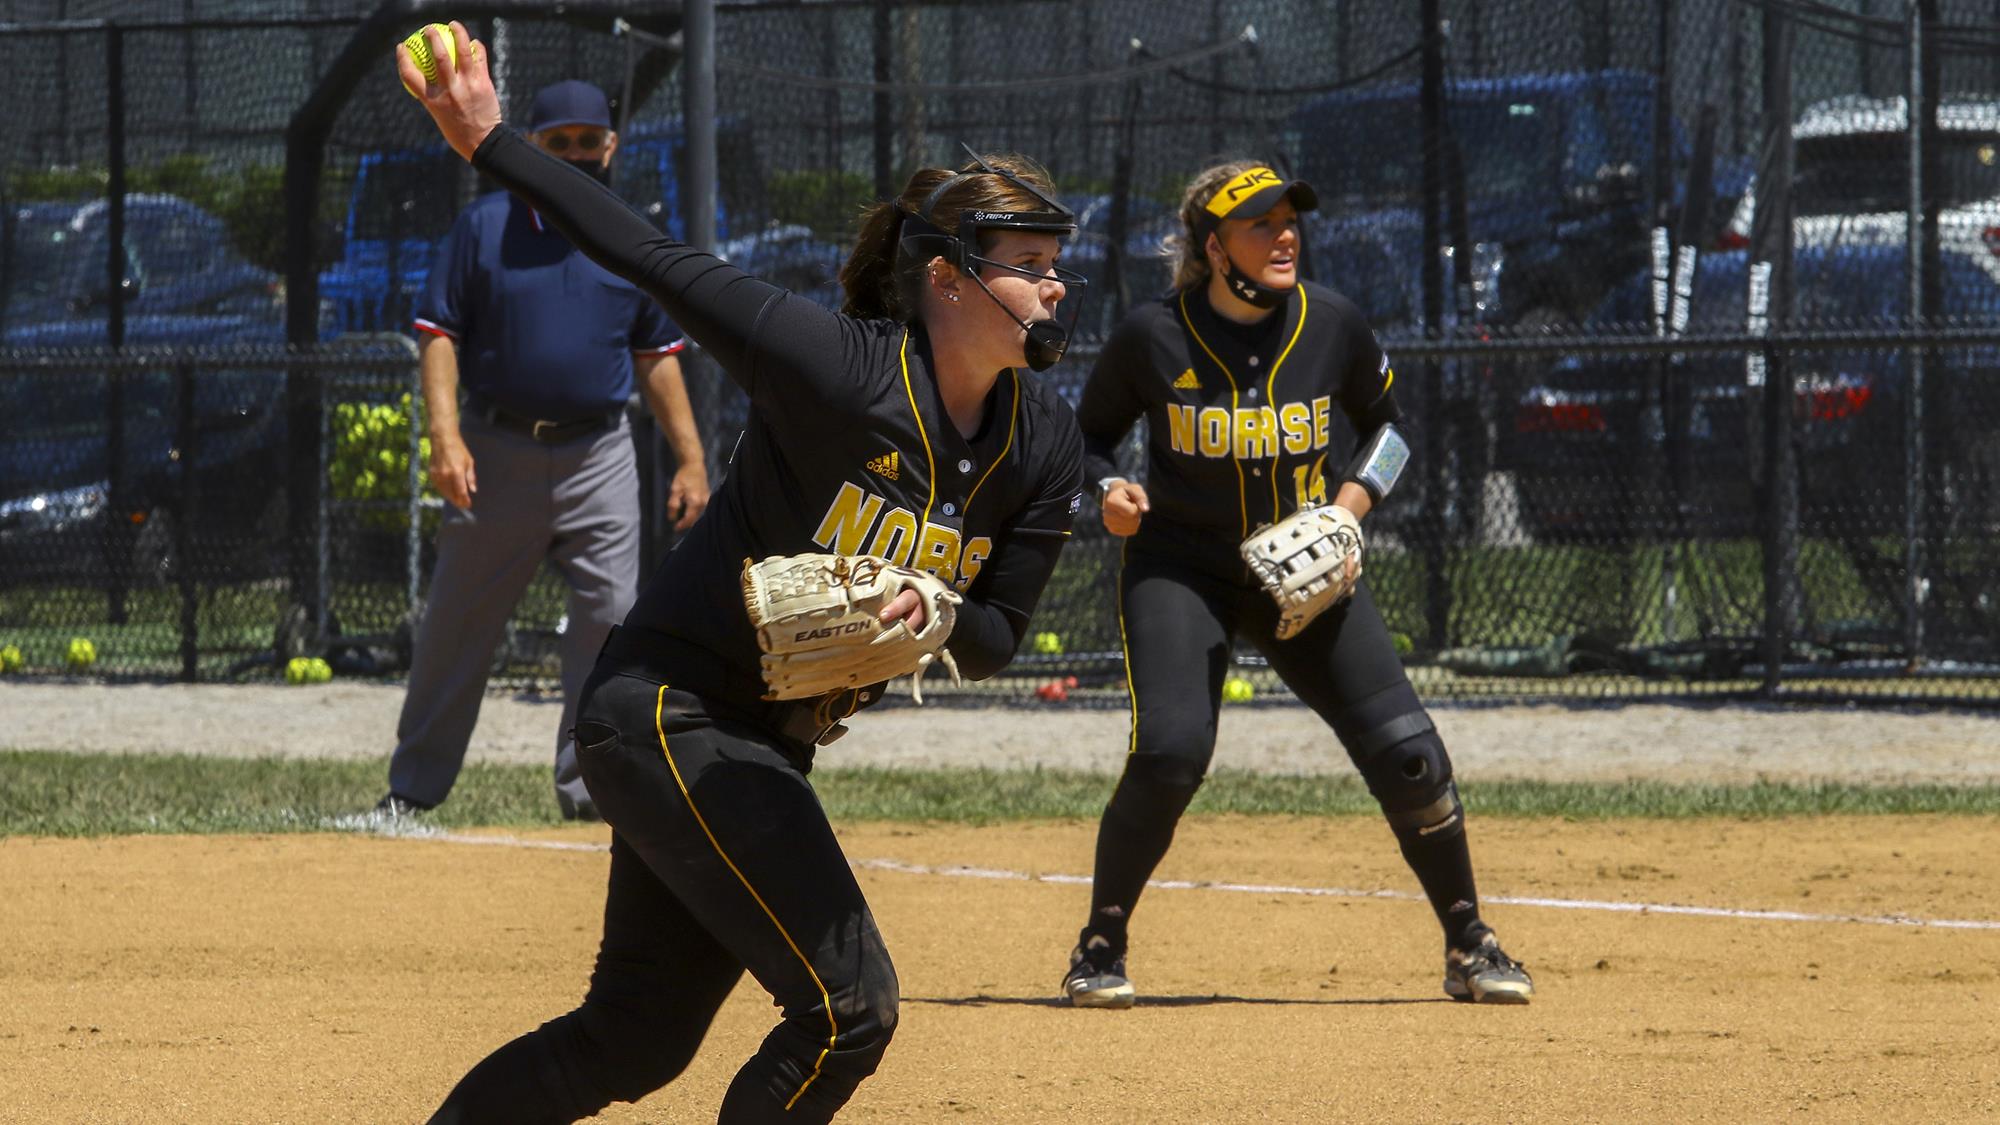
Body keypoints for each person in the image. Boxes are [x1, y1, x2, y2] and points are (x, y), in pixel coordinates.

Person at [397, 24, 1087, 1122]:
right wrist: (487, 141)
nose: (1057, 289)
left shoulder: (1044, 447)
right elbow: (650, 256)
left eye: (1058, 267)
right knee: (849, 1008)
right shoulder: (834, 369)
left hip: (759, 742)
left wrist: (937, 610)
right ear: (949, 280)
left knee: (631, 1042)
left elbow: (998, 630)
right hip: (664, 710)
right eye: (1032, 268)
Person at [1060, 160, 1534, 1008]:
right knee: (1170, 754)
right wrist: (1107, 491)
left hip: (1303, 569)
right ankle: (1101, 941)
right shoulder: (1151, 336)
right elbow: (1086, 440)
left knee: (1411, 755)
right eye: (1260, 223)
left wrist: (1350, 510)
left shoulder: (1333, 324)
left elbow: (1391, 431)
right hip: (1182, 568)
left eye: (1291, 219)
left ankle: (1470, 941)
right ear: (1214, 247)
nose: (1285, 235)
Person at [379, 78, 710, 823]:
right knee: (456, 626)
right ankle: (411, 790)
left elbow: (657, 352)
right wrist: (445, 436)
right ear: (529, 146)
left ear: (610, 146)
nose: (573, 154)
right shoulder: (483, 226)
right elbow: (438, 334)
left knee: (611, 624)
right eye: (557, 143)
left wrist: (690, 457)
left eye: (587, 141)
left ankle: (593, 792)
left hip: (601, 454)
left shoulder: (629, 231)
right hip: (496, 452)